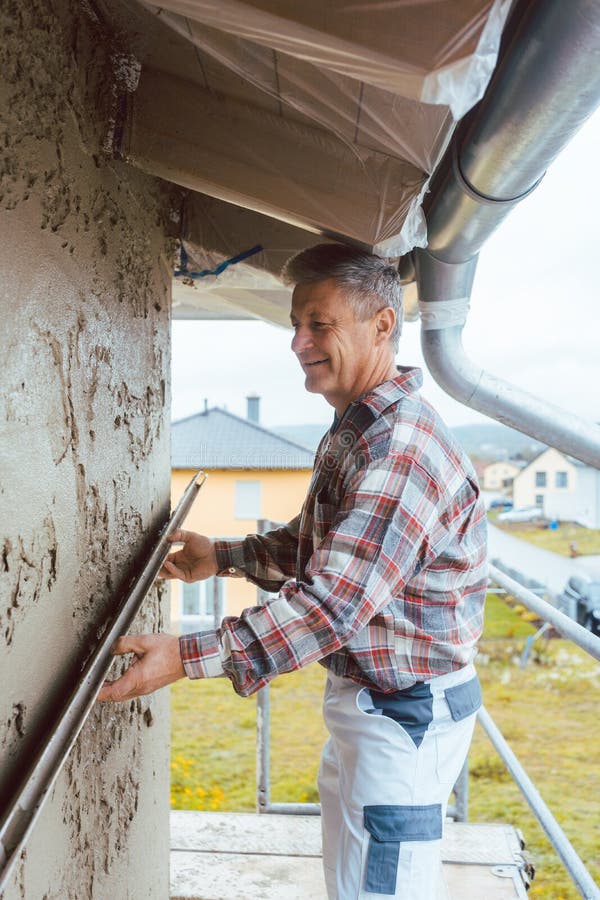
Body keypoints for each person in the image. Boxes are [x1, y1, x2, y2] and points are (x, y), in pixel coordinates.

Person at [98, 243, 487, 899]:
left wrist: (185, 656)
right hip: (377, 703)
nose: (298, 342)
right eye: (295, 324)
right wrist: (220, 556)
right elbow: (319, 551)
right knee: (356, 884)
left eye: (319, 324)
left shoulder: (399, 448)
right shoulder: (358, 430)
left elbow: (331, 605)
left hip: (404, 714)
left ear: (382, 325)